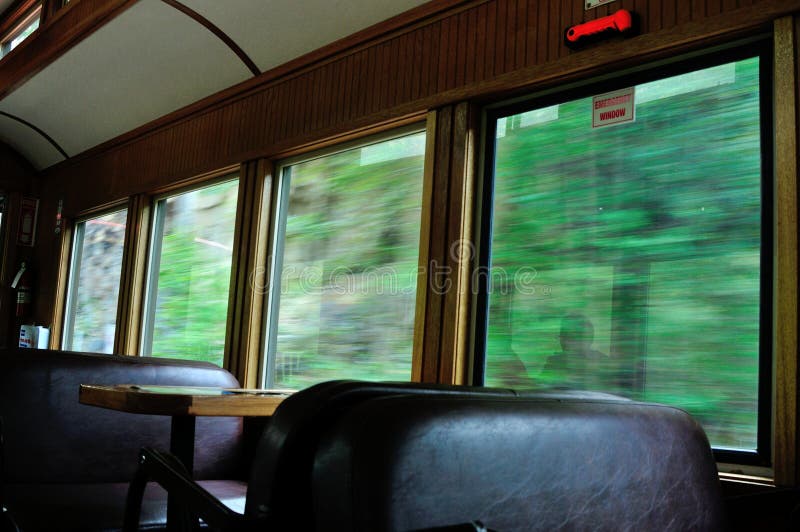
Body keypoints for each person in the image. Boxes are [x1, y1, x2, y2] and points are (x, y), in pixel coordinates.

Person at [542, 313, 606, 389]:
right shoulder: (554, 362)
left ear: (587, 339)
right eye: (562, 336)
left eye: (570, 338)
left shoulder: (603, 363)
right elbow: (544, 389)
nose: (564, 342)